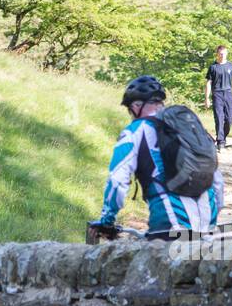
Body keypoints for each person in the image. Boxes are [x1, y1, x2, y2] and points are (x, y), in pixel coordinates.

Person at [94, 75, 224, 240]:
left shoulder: (134, 132)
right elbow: (216, 179)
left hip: (170, 221)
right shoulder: (186, 127)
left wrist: (107, 221)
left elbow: (117, 180)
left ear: (136, 106)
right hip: (208, 222)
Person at [205, 45, 232, 149]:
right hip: (217, 94)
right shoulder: (213, 67)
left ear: (226, 54)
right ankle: (220, 142)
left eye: (224, 54)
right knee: (219, 118)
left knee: (229, 119)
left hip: (228, 93)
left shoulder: (231, 66)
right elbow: (208, 83)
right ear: (217, 54)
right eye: (220, 54)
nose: (222, 56)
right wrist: (207, 98)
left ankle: (222, 137)